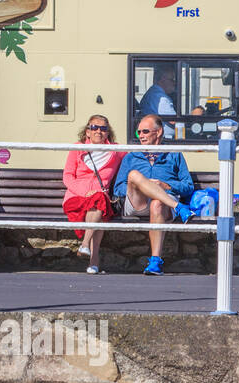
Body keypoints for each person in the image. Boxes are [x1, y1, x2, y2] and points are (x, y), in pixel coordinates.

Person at [112, 113, 196, 276]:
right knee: (134, 175)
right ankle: (179, 208)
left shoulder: (174, 154)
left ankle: (155, 261)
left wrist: (166, 185)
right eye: (138, 132)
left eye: (145, 132)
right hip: (137, 203)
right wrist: (142, 186)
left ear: (158, 132)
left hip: (163, 203)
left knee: (157, 204)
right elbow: (118, 188)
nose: (140, 136)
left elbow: (188, 186)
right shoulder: (131, 157)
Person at [61, 114, 123, 275]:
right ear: (87, 131)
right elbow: (67, 177)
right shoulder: (77, 148)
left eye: (103, 128)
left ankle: (85, 246)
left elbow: (138, 155)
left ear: (108, 133)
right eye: (94, 127)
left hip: (98, 198)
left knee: (100, 202)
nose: (98, 131)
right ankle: (93, 260)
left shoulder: (116, 151)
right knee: (100, 205)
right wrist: (85, 192)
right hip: (76, 197)